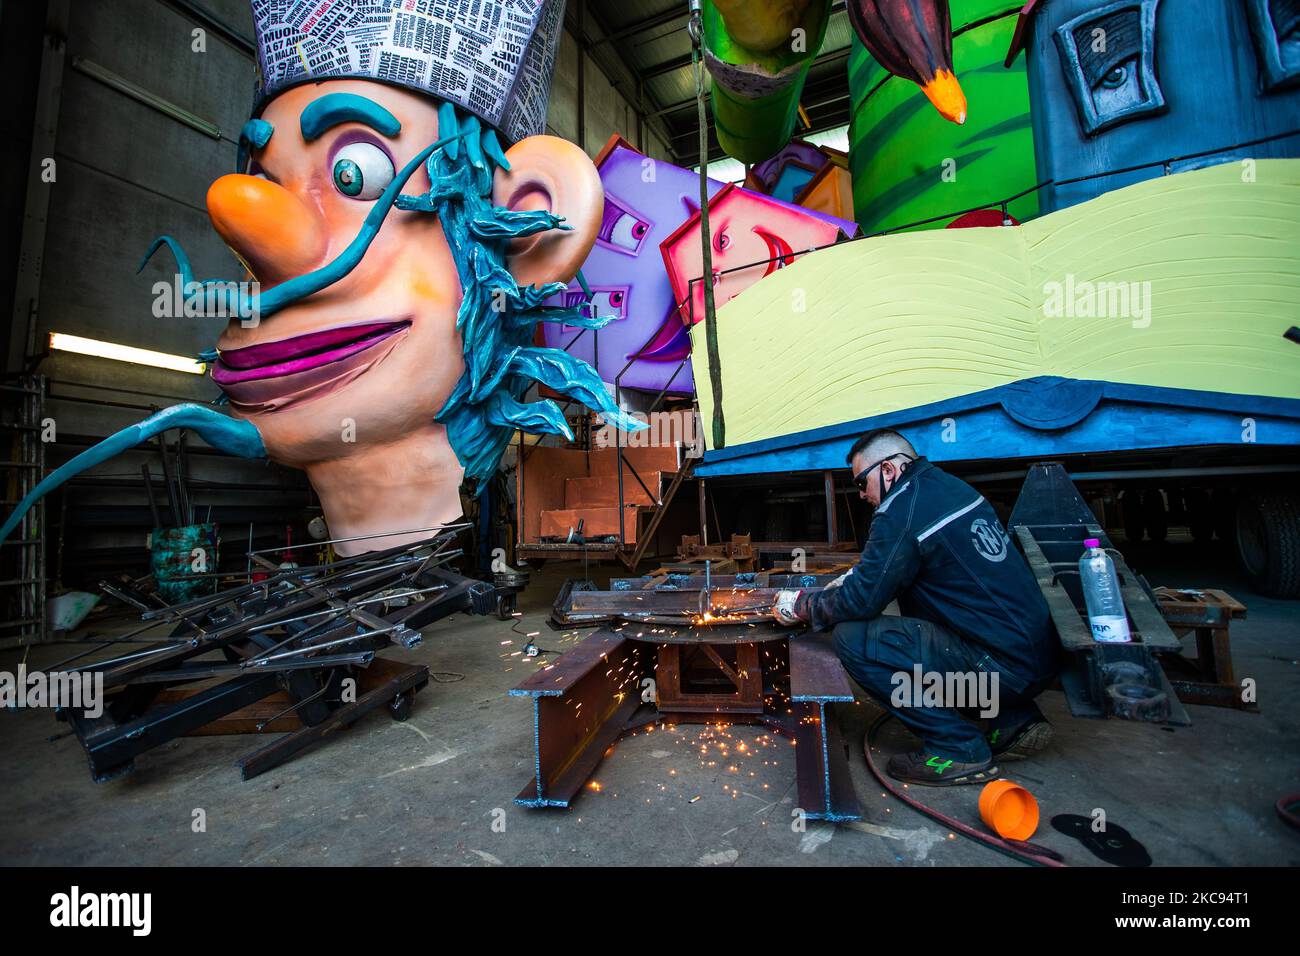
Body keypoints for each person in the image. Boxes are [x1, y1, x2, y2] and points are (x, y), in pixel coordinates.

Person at [772, 428, 1058, 785]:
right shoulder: (948, 487)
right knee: (927, 629)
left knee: (854, 638)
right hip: (1035, 658)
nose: (862, 495)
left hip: (1001, 667)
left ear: (888, 470)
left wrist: (802, 606)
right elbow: (897, 568)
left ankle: (957, 747)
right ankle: (1012, 719)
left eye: (862, 483)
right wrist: (855, 578)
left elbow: (861, 601)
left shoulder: (899, 511)